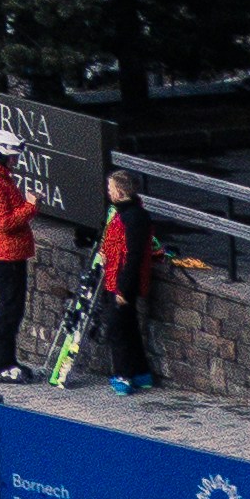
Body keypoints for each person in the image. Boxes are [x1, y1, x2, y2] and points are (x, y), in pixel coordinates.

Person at [0, 129, 41, 380]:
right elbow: (4, 222)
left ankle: (7, 361)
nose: (15, 162)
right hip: (5, 254)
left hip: (11, 252)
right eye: (11, 157)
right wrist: (31, 206)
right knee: (9, 309)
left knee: (14, 308)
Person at [92, 164, 166, 393]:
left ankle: (123, 376)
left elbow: (133, 256)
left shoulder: (132, 218)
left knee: (118, 330)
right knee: (130, 328)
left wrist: (124, 289)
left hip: (122, 282)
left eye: (111, 188)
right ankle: (141, 373)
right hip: (117, 277)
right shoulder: (128, 213)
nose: (108, 192)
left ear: (120, 192)